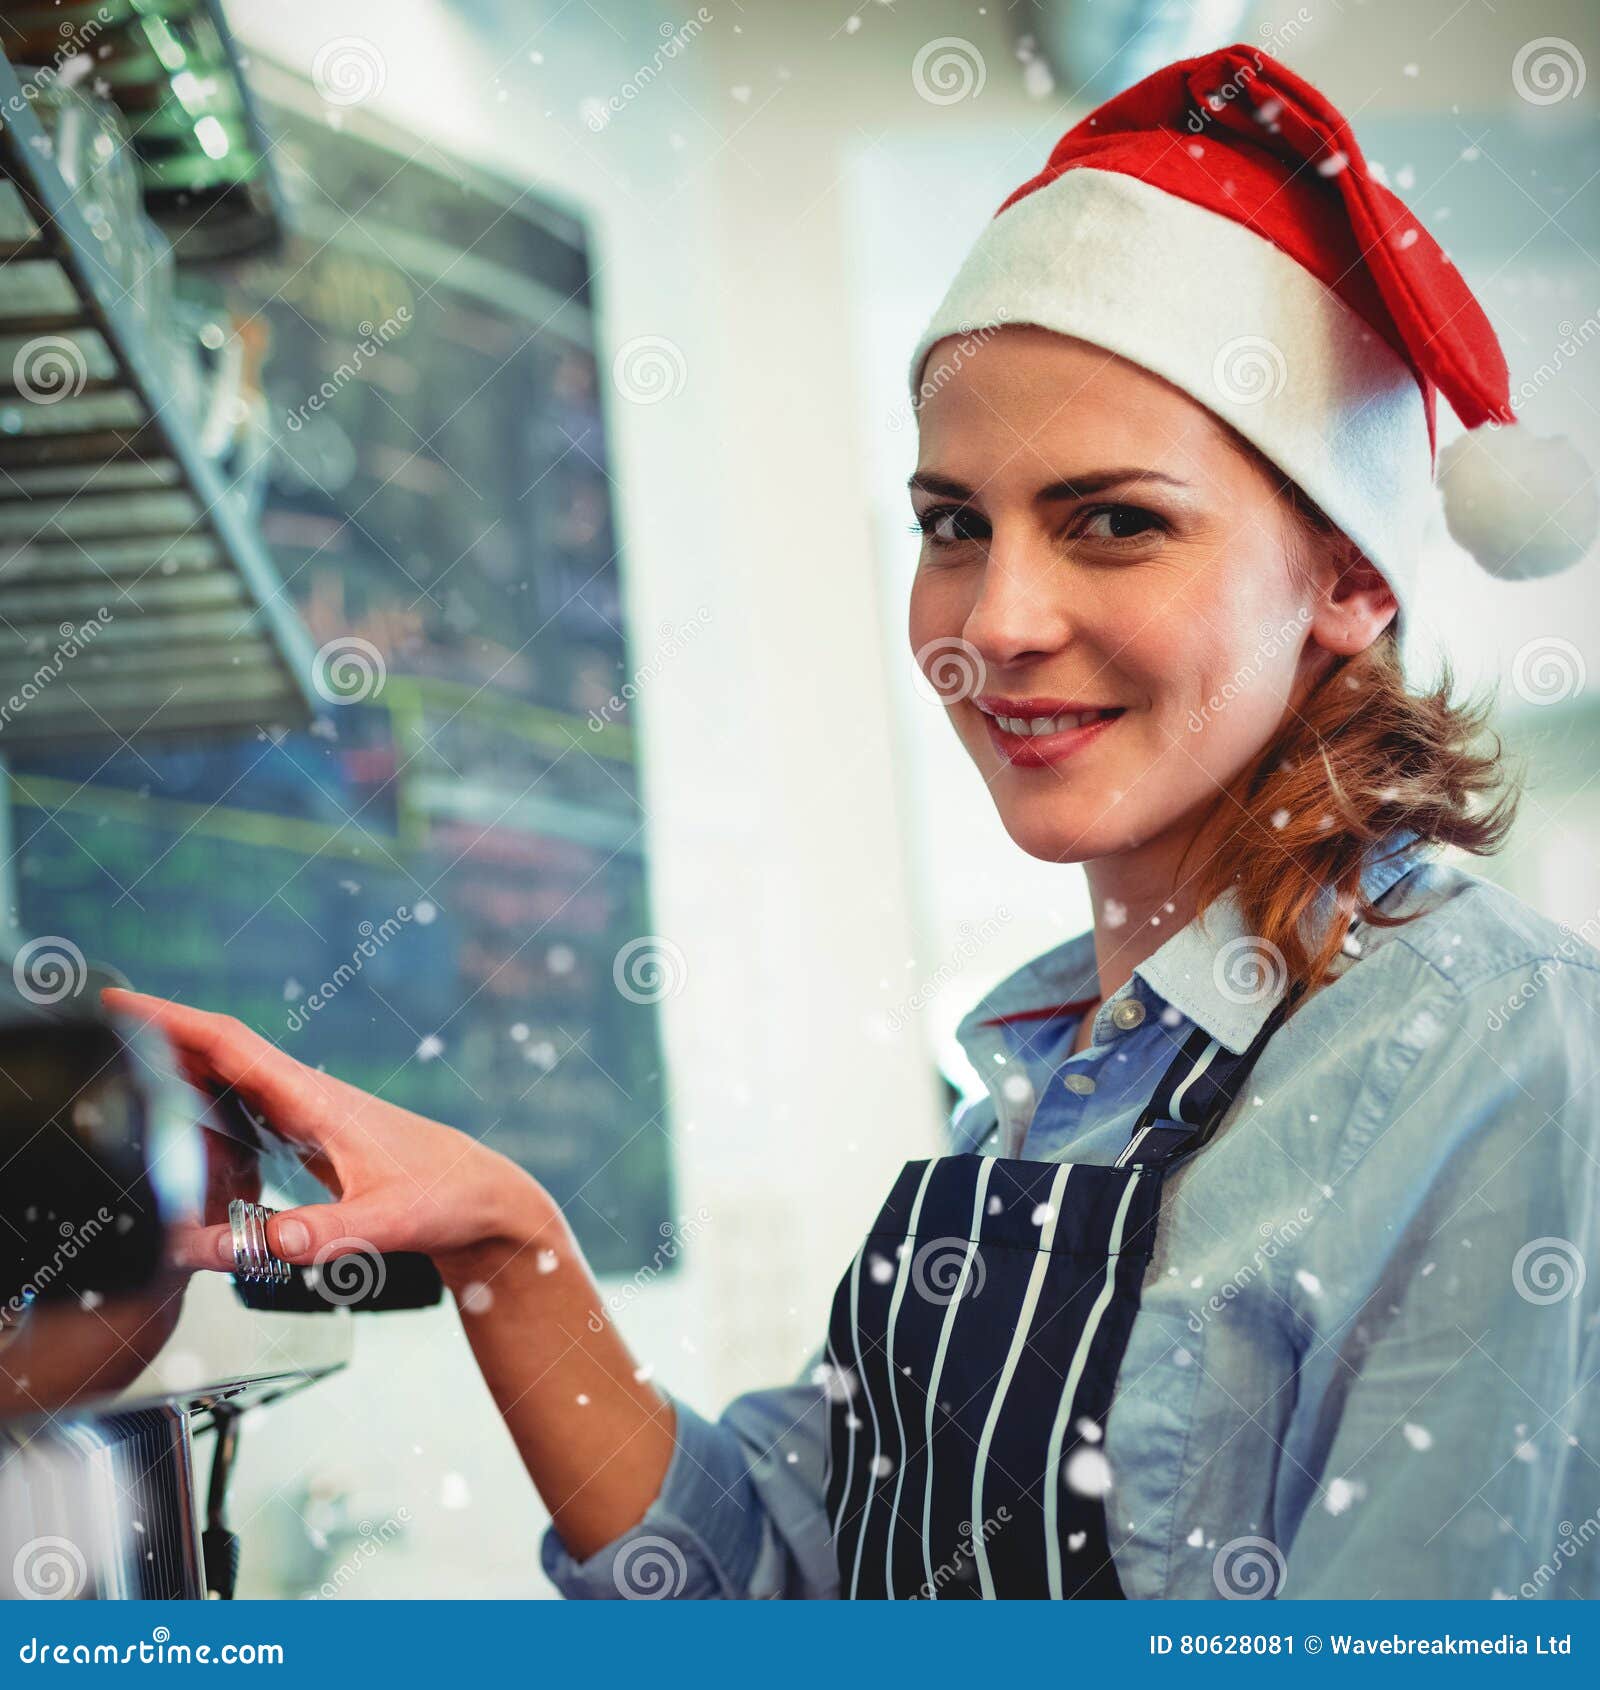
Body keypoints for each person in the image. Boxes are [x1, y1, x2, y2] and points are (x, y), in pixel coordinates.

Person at [105, 43, 1600, 1601]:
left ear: (1351, 578)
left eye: (1116, 521)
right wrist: (510, 1245)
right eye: (954, 524)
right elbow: (771, 1580)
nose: (997, 618)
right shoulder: (1054, 1074)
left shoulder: (1492, 1044)